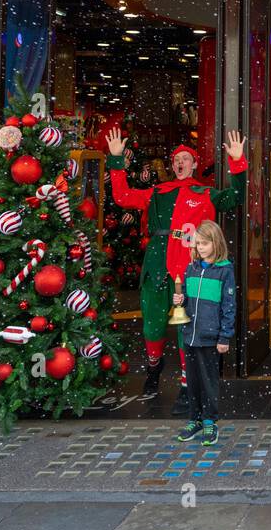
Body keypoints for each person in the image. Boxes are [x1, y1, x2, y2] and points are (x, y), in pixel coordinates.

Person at [104, 127, 246, 413]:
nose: (180, 163)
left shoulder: (206, 193)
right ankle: (154, 367)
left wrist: (237, 163)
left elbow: (237, 197)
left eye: (186, 158)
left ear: (194, 164)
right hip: (156, 266)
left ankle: (186, 383)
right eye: (176, 159)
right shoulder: (157, 192)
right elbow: (121, 197)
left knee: (188, 327)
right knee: (152, 324)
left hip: (191, 268)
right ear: (172, 165)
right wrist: (116, 160)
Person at [172, 220, 237, 446]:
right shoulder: (192, 268)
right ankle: (195, 419)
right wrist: (181, 300)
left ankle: (210, 421)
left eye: (205, 243)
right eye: (198, 243)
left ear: (216, 243)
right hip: (190, 334)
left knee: (209, 381)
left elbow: (229, 306)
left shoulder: (224, 271)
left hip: (210, 337)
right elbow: (188, 300)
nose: (200, 247)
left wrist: (224, 336)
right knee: (193, 381)